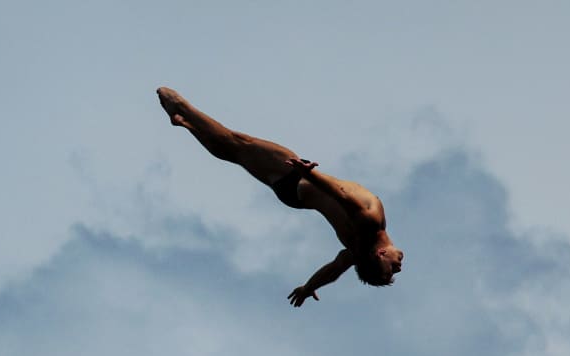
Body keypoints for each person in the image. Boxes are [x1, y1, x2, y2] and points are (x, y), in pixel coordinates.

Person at [156, 87, 403, 307]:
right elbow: (334, 271)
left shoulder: (371, 223)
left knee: (239, 143)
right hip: (295, 197)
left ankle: (181, 106)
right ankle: (185, 124)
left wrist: (310, 173)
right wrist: (308, 288)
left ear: (380, 254)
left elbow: (340, 195)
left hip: (299, 178)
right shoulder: (356, 251)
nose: (398, 267)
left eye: (391, 269)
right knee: (234, 154)